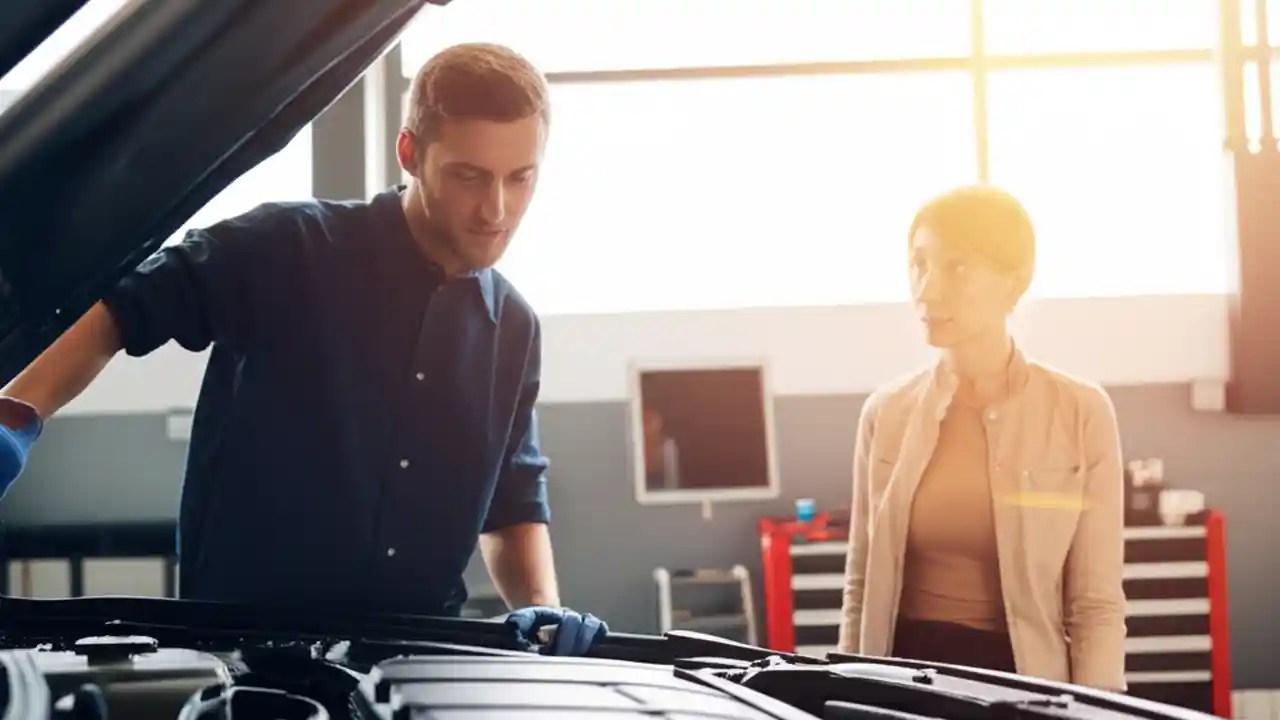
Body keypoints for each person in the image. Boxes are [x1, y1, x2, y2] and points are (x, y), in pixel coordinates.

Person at [0, 42, 606, 654]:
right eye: (469, 176)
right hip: (244, 656)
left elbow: (513, 504)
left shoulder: (516, 329)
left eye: (520, 178)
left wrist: (543, 612)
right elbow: (120, 313)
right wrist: (11, 422)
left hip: (410, 660)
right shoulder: (288, 247)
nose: (496, 209)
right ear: (411, 153)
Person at [837, 185, 1126, 690]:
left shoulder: (1081, 412)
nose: (927, 290)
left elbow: (1095, 606)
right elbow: (860, 589)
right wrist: (840, 690)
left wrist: (1098, 709)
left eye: (957, 267)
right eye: (919, 264)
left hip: (1023, 686)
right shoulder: (885, 414)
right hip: (902, 682)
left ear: (1015, 282)